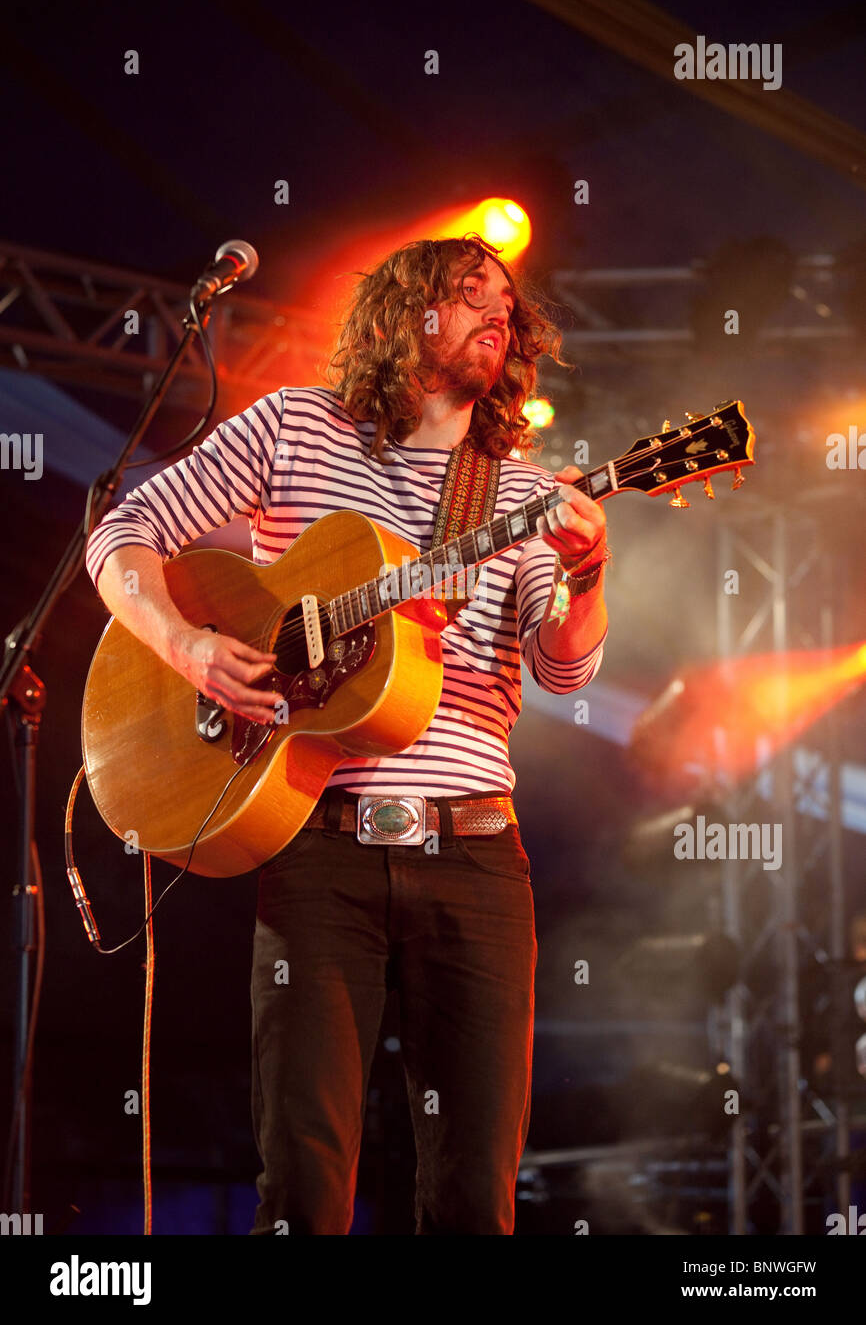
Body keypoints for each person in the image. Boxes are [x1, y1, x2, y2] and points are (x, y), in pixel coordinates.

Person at [85, 234, 609, 1234]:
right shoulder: (294, 428)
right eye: (466, 294)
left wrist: (586, 577)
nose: (493, 311)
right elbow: (121, 533)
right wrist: (191, 647)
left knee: (472, 1195)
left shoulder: (520, 489)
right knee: (303, 1185)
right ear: (396, 315)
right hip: (316, 846)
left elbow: (562, 666)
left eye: (505, 301)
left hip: (475, 855)